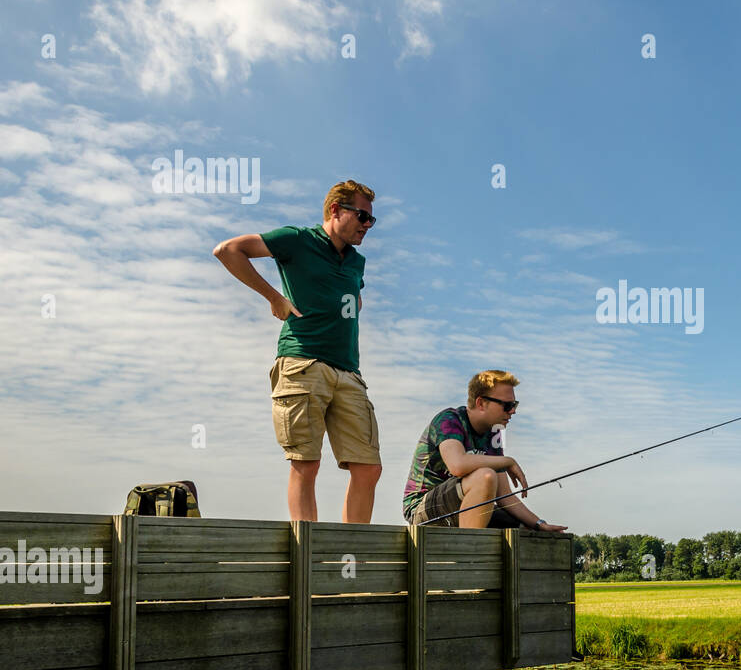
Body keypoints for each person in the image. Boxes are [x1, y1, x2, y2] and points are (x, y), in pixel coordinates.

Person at [211, 180, 383, 523]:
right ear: (336, 210)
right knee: (306, 464)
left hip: (349, 371)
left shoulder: (356, 262)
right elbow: (228, 250)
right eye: (362, 216)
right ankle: (308, 554)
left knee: (368, 468)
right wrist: (274, 297)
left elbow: (354, 299)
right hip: (303, 362)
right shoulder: (298, 239)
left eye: (371, 220)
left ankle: (354, 557)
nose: (367, 225)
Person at [404, 370, 566, 532]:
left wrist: (539, 523)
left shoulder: (494, 432)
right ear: (481, 403)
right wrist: (508, 461)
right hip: (421, 509)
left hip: (461, 506)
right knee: (485, 476)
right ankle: (469, 552)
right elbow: (457, 464)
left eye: (514, 405)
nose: (513, 411)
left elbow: (504, 495)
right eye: (507, 406)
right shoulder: (449, 420)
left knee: (525, 529)